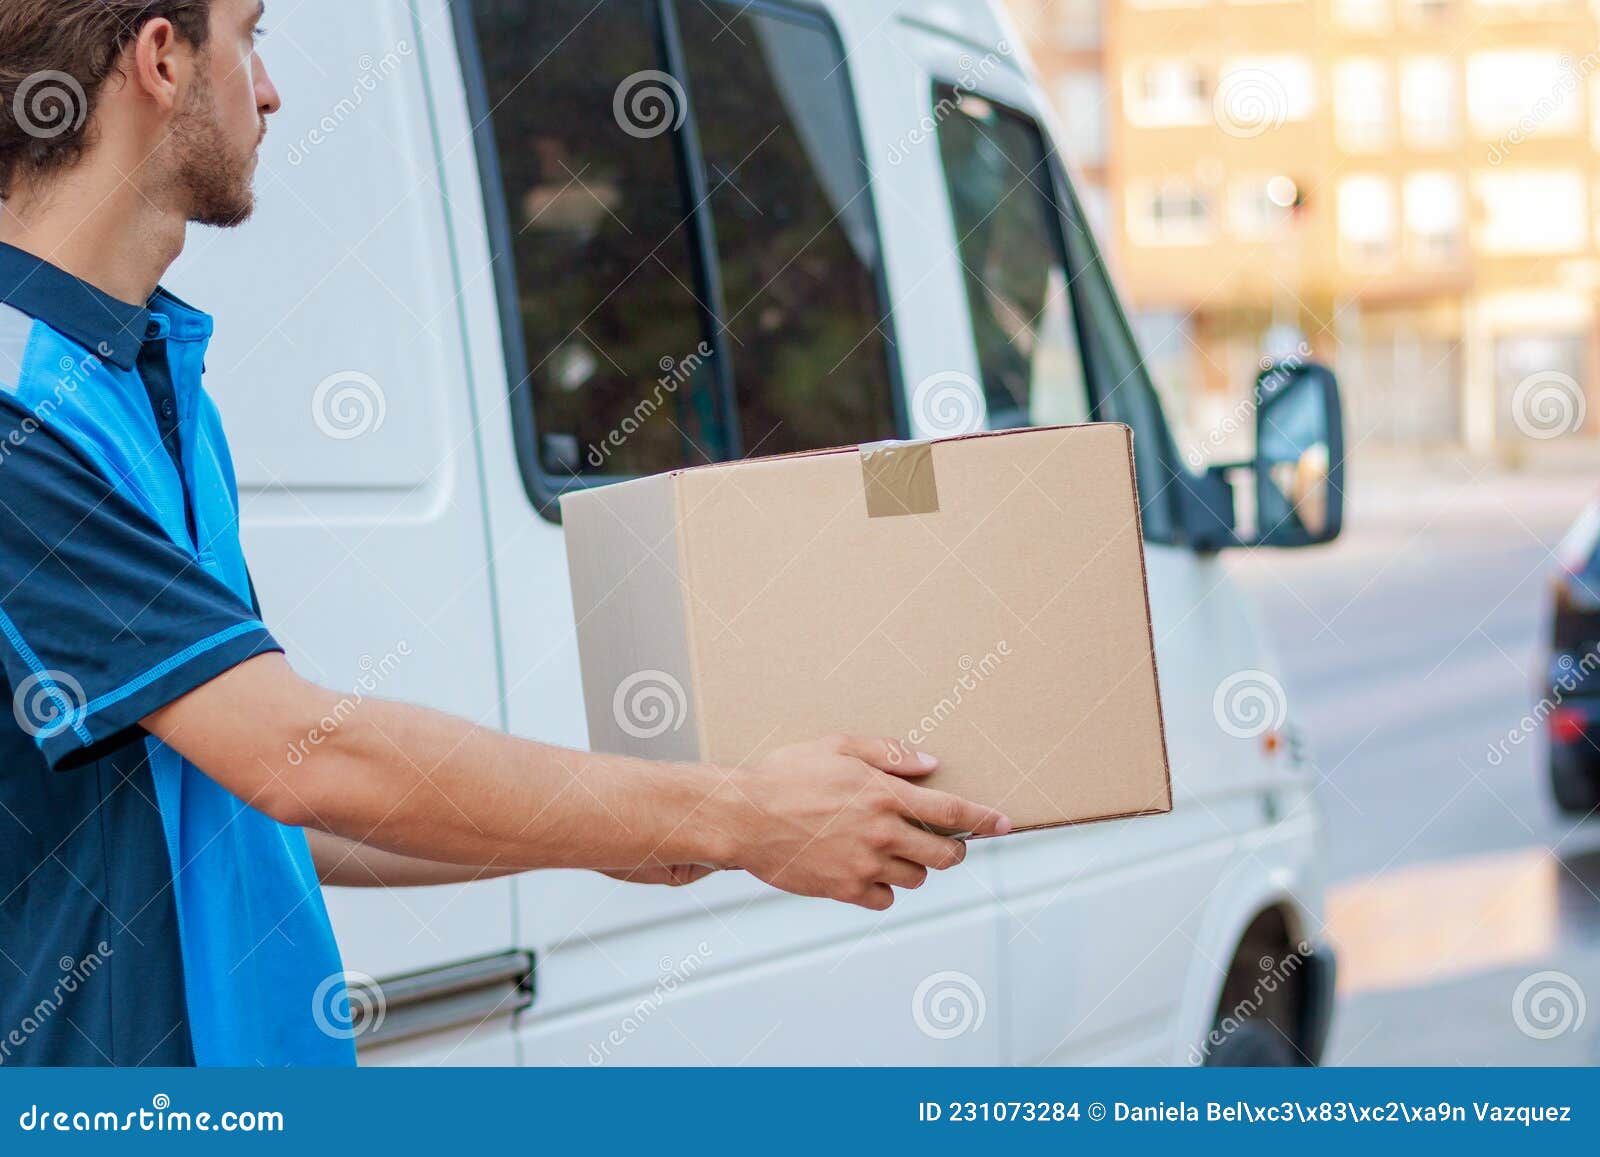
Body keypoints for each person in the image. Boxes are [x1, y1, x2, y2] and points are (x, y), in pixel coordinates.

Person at [0, 0, 1009, 1068]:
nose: (271, 88)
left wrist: (635, 825)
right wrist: (737, 812)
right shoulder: (20, 410)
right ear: (161, 60)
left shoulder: (149, 382)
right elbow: (301, 754)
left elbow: (248, 802)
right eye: (250, 36)